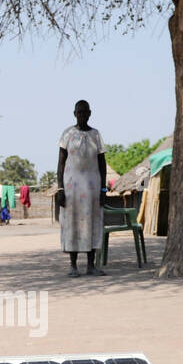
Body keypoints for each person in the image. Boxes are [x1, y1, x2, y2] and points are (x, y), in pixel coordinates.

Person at [55, 100, 108, 277]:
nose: (82, 115)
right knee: (73, 225)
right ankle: (73, 266)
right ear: (74, 113)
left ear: (90, 113)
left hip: (93, 188)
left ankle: (91, 266)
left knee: (92, 224)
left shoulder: (96, 135)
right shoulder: (67, 134)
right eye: (79, 112)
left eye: (85, 112)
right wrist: (60, 189)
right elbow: (61, 164)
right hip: (72, 189)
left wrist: (103, 190)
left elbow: (102, 164)